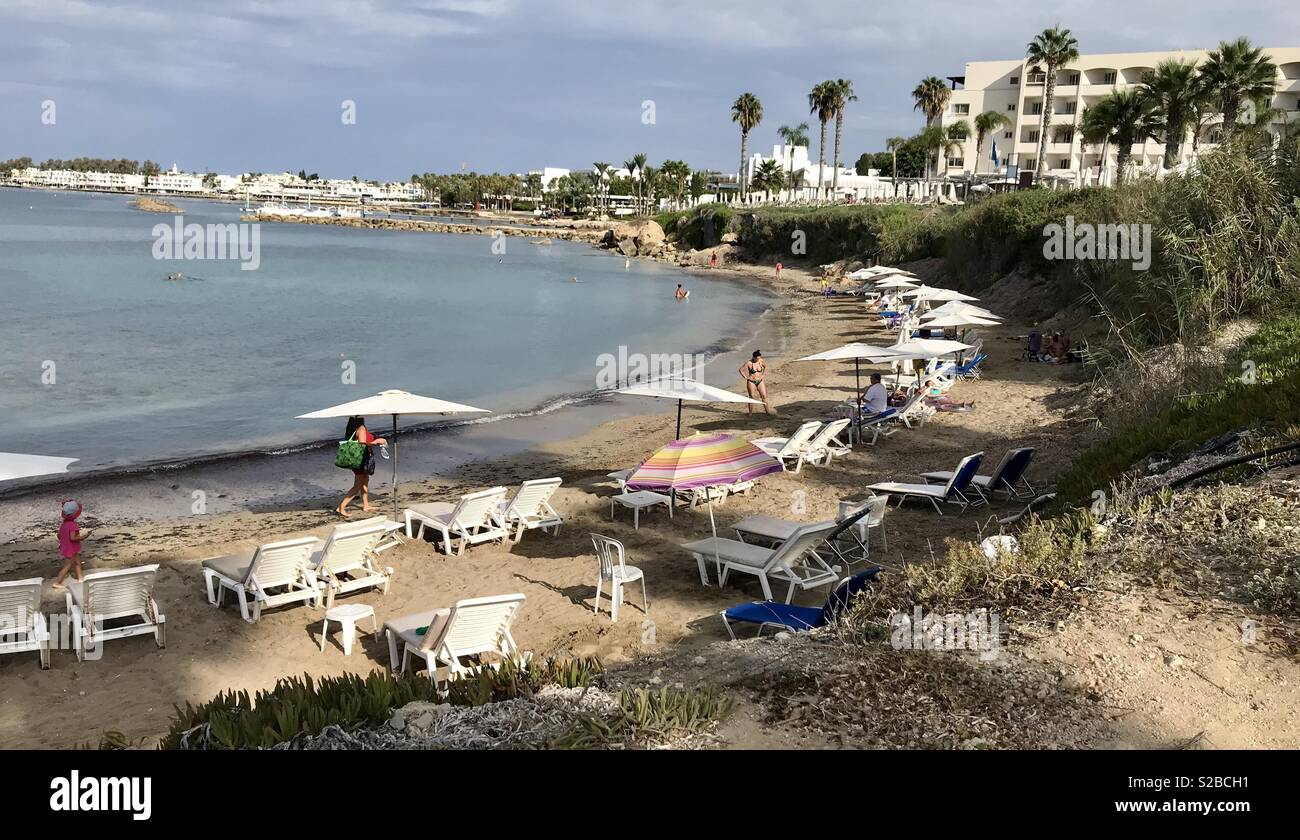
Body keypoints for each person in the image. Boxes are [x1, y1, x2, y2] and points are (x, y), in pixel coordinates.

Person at [337, 415, 387, 518]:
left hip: (356, 459)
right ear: (360, 418)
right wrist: (377, 441)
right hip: (361, 459)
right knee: (358, 485)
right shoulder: (361, 428)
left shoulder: (352, 428)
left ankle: (366, 505)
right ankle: (341, 507)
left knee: (364, 481)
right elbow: (363, 444)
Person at [53, 499, 92, 589]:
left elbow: (59, 535)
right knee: (67, 566)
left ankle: (80, 578)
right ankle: (57, 582)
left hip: (68, 548)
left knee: (77, 562)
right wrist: (85, 536)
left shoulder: (64, 524)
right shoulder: (73, 525)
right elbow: (73, 537)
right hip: (71, 549)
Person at [740, 350, 772, 415]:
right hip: (751, 381)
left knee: (764, 396)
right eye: (757, 358)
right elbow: (741, 370)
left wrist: (763, 374)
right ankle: (750, 413)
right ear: (754, 357)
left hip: (760, 381)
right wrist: (746, 377)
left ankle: (767, 412)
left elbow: (765, 367)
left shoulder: (761, 361)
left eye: (759, 358)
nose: (758, 359)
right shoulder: (749, 363)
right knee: (751, 396)